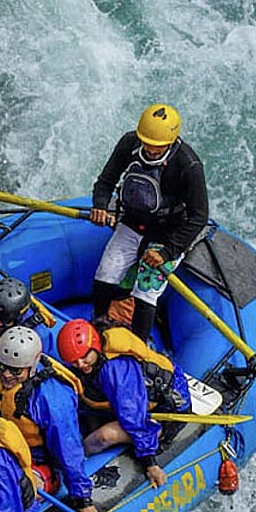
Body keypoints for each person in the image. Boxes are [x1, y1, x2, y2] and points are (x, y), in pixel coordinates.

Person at [89, 103, 209, 342]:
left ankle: (138, 345)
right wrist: (100, 204)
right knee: (106, 272)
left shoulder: (189, 165)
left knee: (146, 290)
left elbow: (198, 217)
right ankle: (99, 323)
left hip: (168, 233)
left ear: (172, 141)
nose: (150, 149)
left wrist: (167, 252)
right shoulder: (129, 143)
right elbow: (105, 182)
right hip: (133, 222)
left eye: (157, 147)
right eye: (146, 143)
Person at [0, 326, 101, 512]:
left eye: (15, 371)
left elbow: (68, 450)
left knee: (12, 491)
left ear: (32, 365)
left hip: (35, 461)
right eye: (2, 366)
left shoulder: (52, 398)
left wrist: (84, 500)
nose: (6, 375)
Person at [56, 317, 199, 489]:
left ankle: (76, 463)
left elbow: (134, 416)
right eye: (74, 360)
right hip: (134, 399)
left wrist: (150, 463)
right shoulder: (94, 358)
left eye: (84, 356)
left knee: (103, 436)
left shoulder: (115, 369)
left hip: (167, 411)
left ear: (94, 345)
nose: (80, 364)